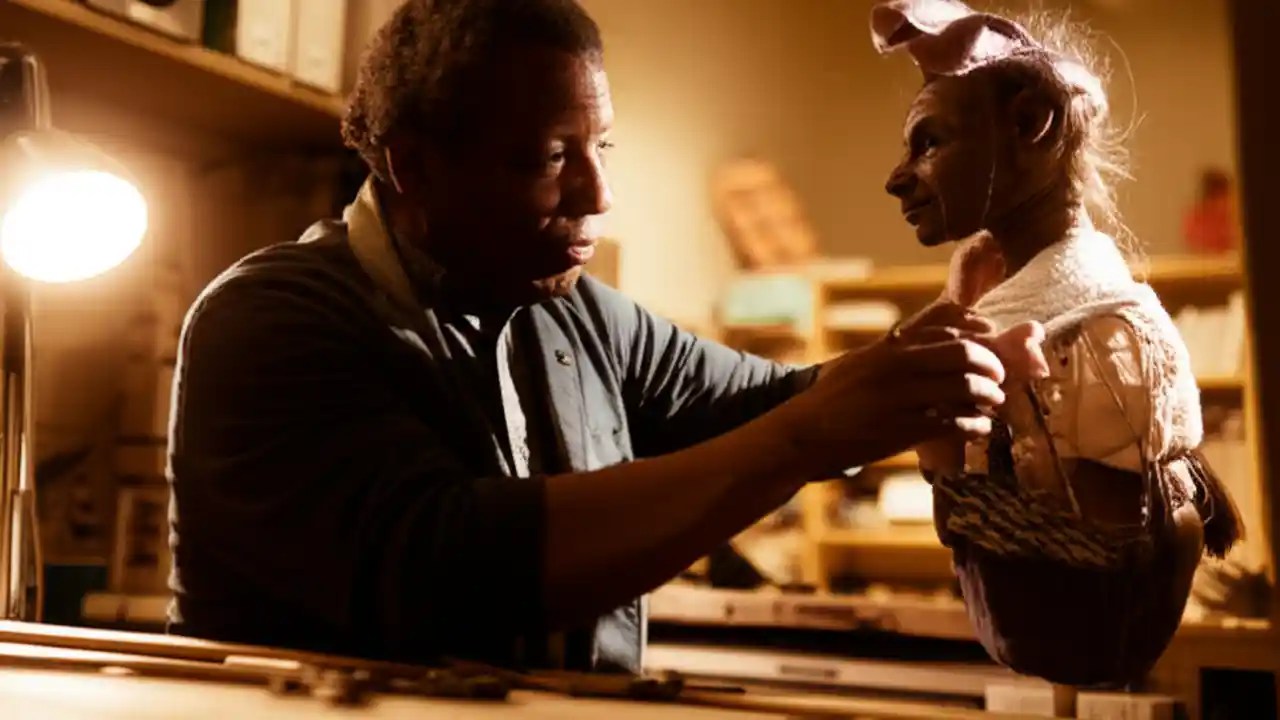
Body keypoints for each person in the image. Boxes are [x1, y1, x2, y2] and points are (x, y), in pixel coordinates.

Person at [166, 0, 1010, 672]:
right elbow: (452, 568)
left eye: (600, 144)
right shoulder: (273, 321)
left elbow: (770, 405)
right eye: (547, 157)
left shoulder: (571, 311)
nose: (597, 193)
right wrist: (805, 436)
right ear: (409, 165)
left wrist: (919, 363)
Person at [873, 0, 1243, 688]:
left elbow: (1110, 522)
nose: (899, 177)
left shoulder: (1106, 341)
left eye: (930, 142)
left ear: (1027, 125)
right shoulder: (992, 305)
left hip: (1085, 637)